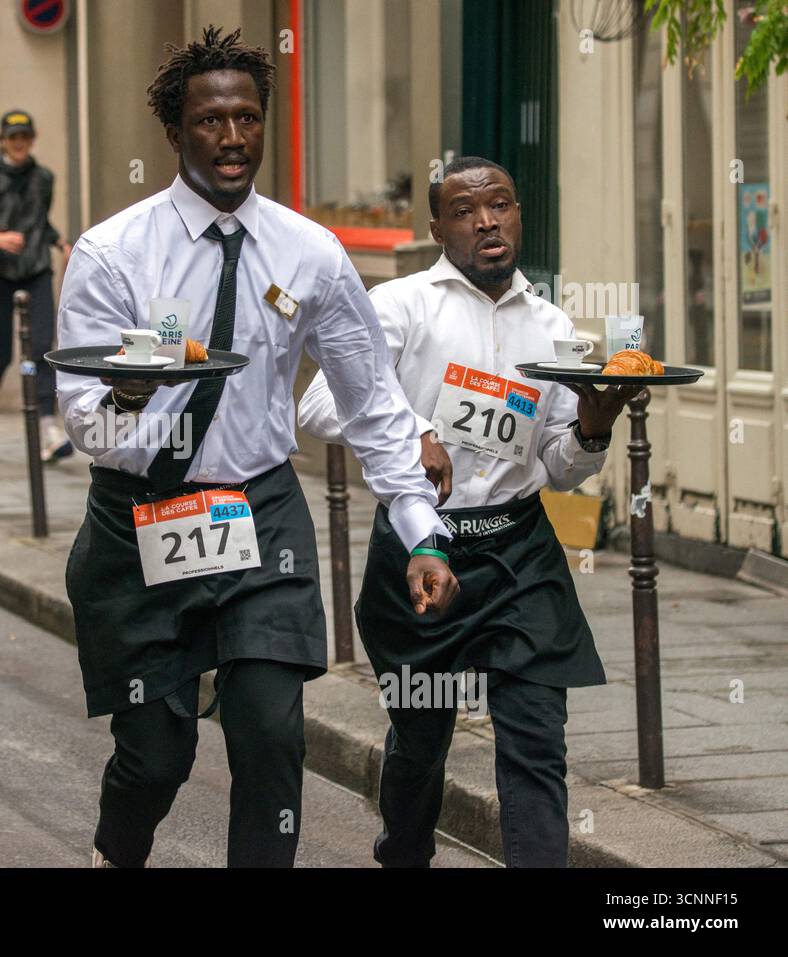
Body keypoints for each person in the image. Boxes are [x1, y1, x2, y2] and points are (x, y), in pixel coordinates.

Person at [56, 26, 459, 868]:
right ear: (175, 133)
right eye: (211, 121)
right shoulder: (112, 253)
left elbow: (374, 403)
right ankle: (116, 850)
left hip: (256, 512)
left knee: (272, 732)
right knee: (156, 756)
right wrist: (130, 394)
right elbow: (87, 426)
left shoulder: (309, 251)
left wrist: (422, 531)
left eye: (248, 118)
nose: (233, 137)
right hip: (142, 518)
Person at [298, 155, 640, 867]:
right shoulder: (399, 307)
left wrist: (592, 429)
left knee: (537, 737)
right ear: (437, 227)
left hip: (520, 552)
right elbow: (320, 404)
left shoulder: (552, 326)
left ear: (519, 214)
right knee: (422, 737)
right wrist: (411, 431)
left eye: (502, 205)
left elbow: (555, 464)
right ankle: (404, 850)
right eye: (466, 210)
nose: (487, 221)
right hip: (424, 550)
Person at [0, 109, 71, 460]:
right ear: (2, 140)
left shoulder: (43, 178)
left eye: (24, 137)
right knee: (3, 351)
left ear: (32, 140)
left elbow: (38, 221)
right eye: (12, 138)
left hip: (36, 271)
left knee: (40, 348)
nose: (19, 144)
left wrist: (59, 242)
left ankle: (49, 429)